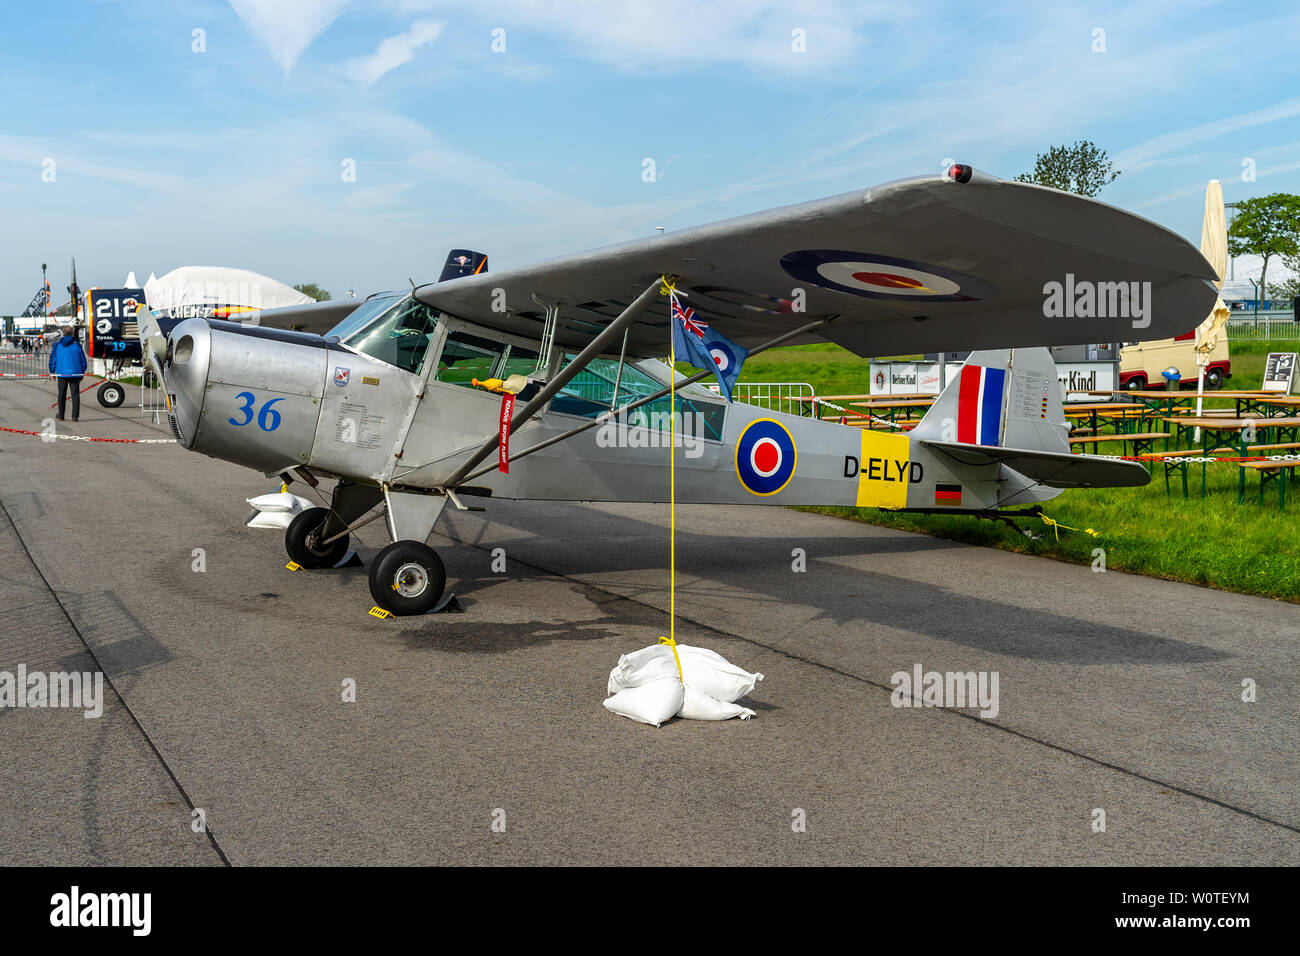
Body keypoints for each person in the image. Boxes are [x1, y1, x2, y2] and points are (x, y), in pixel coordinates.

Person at [48, 325, 87, 421]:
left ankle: (61, 415)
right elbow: (83, 360)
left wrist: (52, 371)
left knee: (61, 394)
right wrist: (82, 372)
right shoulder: (77, 345)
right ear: (73, 333)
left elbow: (52, 359)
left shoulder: (57, 345)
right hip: (75, 373)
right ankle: (75, 416)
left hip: (62, 373)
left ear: (63, 333)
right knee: (75, 394)